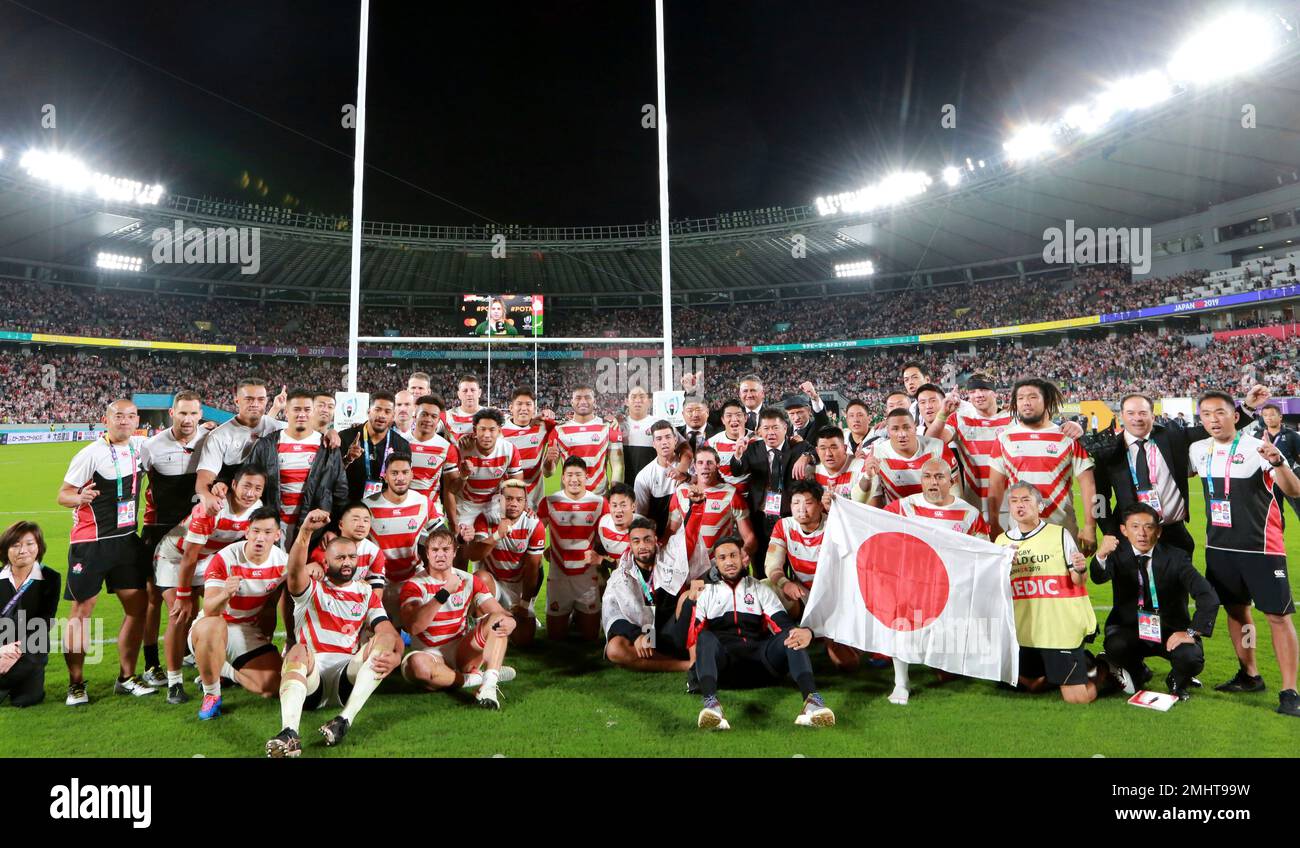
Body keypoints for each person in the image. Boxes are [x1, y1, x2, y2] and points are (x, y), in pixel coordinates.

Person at [1189, 391, 1300, 716]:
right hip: (1219, 548)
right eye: (1206, 414)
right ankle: (1249, 674)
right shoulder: (1198, 450)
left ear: (1235, 416)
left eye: (1220, 412)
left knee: (1278, 617)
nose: (1213, 419)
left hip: (1261, 548)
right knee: (1236, 612)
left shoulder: (1258, 448)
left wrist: (1278, 461)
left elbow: (1294, 490)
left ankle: (1290, 690)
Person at [266, 509, 401, 757]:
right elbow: (295, 572)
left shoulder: (366, 592)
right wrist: (306, 532)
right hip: (311, 678)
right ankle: (289, 733)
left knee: (382, 639)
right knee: (297, 649)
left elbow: (388, 632)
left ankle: (344, 720)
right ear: (326, 562)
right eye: (340, 558)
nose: (347, 562)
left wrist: (397, 656)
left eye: (351, 557)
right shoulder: (310, 589)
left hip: (346, 679)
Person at [57, 399, 155, 705]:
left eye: (130, 416)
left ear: (137, 419)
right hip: (91, 543)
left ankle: (126, 677)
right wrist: (79, 497)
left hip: (127, 540)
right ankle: (76, 684)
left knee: (137, 608)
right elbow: (62, 495)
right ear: (106, 419)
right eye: (118, 416)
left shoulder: (141, 446)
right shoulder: (91, 453)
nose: (124, 421)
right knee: (82, 612)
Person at [681, 536, 835, 730]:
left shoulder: (759, 589)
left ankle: (813, 702)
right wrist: (696, 674)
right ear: (716, 563)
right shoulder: (707, 594)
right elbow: (693, 638)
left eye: (733, 555)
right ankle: (713, 706)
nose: (729, 562)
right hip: (725, 669)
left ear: (742, 557)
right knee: (705, 636)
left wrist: (805, 632)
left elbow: (782, 623)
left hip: (762, 664)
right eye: (722, 558)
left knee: (792, 634)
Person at [1091, 390, 1265, 555]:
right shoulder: (1108, 450)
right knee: (1132, 586)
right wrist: (1108, 531)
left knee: (1179, 585)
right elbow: (1098, 498)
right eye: (1131, 413)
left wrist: (1247, 406)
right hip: (1130, 537)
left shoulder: (1172, 436)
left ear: (1153, 415)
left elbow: (1218, 426)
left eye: (1143, 413)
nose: (1137, 418)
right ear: (1121, 416)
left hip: (1173, 535)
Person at [152, 464, 266, 703]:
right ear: (233, 485)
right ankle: (174, 682)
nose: (250, 493)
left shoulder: (257, 509)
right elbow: (189, 556)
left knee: (223, 610)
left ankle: (219, 669)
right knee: (179, 615)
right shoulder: (212, 509)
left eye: (257, 488)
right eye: (246, 486)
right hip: (175, 557)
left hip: (207, 559)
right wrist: (183, 595)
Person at [1090, 503, 1218, 700]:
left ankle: (1176, 680)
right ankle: (1138, 670)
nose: (1142, 533)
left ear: (1158, 531)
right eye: (1135, 527)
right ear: (1124, 530)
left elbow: (1208, 595)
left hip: (1170, 630)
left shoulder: (1176, 557)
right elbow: (1098, 577)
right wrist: (1101, 554)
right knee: (1115, 646)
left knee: (1191, 658)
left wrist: (1191, 632)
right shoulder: (1117, 554)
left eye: (1148, 527)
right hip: (1130, 628)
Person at [995, 482, 1100, 703]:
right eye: (1014, 501)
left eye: (1026, 500)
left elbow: (1078, 580)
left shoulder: (1059, 535)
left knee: (1077, 699)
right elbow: (995, 589)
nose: (1019, 506)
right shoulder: (1002, 542)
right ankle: (1069, 668)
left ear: (1040, 506)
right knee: (1029, 686)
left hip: (1059, 631)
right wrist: (1003, 567)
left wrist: (1080, 568)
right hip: (1025, 632)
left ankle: (1104, 669)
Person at [189, 506, 289, 719]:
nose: (260, 538)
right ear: (247, 532)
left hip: (246, 630)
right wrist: (226, 593)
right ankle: (212, 695)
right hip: (214, 625)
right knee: (211, 625)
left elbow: (295, 584)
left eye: (267, 532)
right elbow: (209, 609)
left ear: (278, 535)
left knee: (273, 686)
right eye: (255, 531)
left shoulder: (283, 563)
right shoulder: (225, 558)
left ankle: (224, 670)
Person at [138, 390, 209, 688]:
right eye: (183, 413)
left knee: (197, 597)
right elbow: (132, 483)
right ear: (172, 413)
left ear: (201, 415)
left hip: (198, 532)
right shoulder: (151, 447)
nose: (188, 419)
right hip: (160, 531)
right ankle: (152, 663)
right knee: (156, 600)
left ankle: (191, 651)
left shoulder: (209, 441)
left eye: (194, 414)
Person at [399, 527, 516, 709]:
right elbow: (414, 627)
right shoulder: (414, 585)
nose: (440, 555)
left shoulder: (468, 579)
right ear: (427, 554)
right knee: (416, 666)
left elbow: (499, 613)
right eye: (435, 550)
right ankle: (474, 679)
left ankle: (489, 686)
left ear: (454, 553)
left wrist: (511, 621)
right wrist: (443, 593)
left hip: (462, 651)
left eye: (446, 550)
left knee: (498, 621)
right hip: (429, 654)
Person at [987, 377, 1098, 556]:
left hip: (1063, 532)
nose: (1025, 403)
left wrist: (1090, 526)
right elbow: (995, 487)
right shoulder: (1004, 439)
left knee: (1069, 584)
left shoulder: (1069, 437)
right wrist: (993, 523)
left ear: (1046, 400)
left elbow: (1090, 486)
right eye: (1020, 398)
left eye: (1032, 397)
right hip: (1019, 536)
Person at [602, 517, 709, 673]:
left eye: (647, 540)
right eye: (636, 541)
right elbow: (612, 614)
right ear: (630, 545)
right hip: (645, 632)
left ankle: (685, 657)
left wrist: (697, 505)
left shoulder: (669, 559)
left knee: (690, 595)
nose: (642, 546)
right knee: (614, 649)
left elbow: (689, 535)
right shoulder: (621, 576)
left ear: (656, 540)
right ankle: (685, 665)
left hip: (674, 631)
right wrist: (636, 636)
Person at [247, 388, 349, 547]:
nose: (302, 414)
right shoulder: (267, 445)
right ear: (286, 412)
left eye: (307, 409)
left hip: (314, 531)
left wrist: (334, 528)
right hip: (271, 527)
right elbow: (251, 483)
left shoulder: (328, 447)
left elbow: (340, 491)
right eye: (296, 409)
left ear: (313, 411)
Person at [730, 407, 817, 565]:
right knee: (762, 561)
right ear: (759, 431)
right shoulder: (752, 449)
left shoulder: (798, 448)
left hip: (790, 516)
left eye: (775, 427)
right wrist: (738, 455)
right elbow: (737, 471)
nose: (771, 432)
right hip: (761, 515)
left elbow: (815, 451)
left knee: (792, 562)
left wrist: (806, 457)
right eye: (766, 428)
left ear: (785, 428)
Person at [923, 374, 1014, 526]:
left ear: (995, 393)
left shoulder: (1013, 418)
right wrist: (943, 413)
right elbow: (930, 443)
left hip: (1010, 503)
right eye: (973, 391)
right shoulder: (960, 418)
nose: (978, 395)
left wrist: (1069, 425)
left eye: (984, 389)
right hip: (974, 505)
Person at [462, 480, 545, 646]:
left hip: (517, 588)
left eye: (519, 500)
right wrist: (497, 535)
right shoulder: (485, 518)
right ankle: (480, 625)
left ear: (525, 503)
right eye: (508, 498)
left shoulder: (534, 525)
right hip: (494, 585)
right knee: (479, 578)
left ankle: (501, 620)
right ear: (499, 499)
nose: (513, 504)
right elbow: (474, 555)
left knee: (524, 641)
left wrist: (524, 604)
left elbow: (533, 568)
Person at [537, 457, 609, 641]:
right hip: (558, 576)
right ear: (562, 478)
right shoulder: (549, 502)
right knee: (555, 637)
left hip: (587, 576)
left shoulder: (599, 503)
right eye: (569, 475)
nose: (574, 479)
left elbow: (607, 537)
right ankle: (570, 613)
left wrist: (600, 556)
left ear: (587, 476)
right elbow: (535, 533)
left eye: (578, 475)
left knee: (590, 636)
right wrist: (544, 550)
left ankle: (577, 613)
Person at [195, 378, 287, 513]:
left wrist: (329, 432)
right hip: (233, 508)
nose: (255, 404)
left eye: (260, 399)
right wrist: (207, 496)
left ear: (266, 401)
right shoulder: (219, 436)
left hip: (269, 507)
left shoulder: (278, 428)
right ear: (237, 401)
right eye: (249, 399)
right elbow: (205, 478)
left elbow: (310, 433)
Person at [0, 522, 61, 707]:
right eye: (16, 545)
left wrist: (17, 649)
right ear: (5, 549)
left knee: (27, 700)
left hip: (30, 648)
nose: (23, 550)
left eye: (29, 543)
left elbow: (46, 619)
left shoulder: (50, 577)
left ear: (39, 547)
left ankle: (7, 682)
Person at [362, 454, 430, 621]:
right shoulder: (367, 506)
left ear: (412, 475)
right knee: (381, 637)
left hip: (413, 577)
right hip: (379, 581)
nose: (400, 478)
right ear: (385, 476)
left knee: (418, 624)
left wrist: (461, 538)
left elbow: (442, 538)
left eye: (405, 472)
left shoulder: (423, 503)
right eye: (394, 473)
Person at [854, 408, 956, 507]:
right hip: (898, 520)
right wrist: (867, 477)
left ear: (915, 428)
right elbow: (858, 500)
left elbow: (955, 492)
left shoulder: (938, 447)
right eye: (895, 429)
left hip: (934, 518)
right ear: (888, 431)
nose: (902, 434)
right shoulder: (876, 454)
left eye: (907, 427)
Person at [667, 445, 754, 557]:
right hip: (687, 562)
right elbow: (671, 532)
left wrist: (745, 552)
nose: (705, 467)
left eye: (709, 463)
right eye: (700, 463)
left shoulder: (731, 494)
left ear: (717, 465)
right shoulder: (681, 491)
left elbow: (749, 537)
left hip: (717, 565)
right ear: (694, 466)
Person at [452, 408, 523, 532]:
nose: (486, 435)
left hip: (494, 505)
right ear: (474, 430)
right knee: (463, 544)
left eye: (492, 430)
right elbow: (451, 489)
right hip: (466, 505)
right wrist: (463, 476)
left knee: (501, 542)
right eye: (482, 429)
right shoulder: (461, 449)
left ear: (499, 431)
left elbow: (516, 486)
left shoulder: (509, 450)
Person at [884, 458, 990, 539]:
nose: (933, 482)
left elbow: (984, 555)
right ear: (921, 481)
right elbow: (873, 523)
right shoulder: (903, 507)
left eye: (940, 476)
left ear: (951, 482)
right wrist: (867, 479)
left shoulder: (971, 514)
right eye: (927, 476)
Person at [339, 391, 410, 502]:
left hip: (384, 508)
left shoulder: (401, 445)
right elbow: (332, 475)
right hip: (349, 507)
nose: (381, 415)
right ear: (368, 412)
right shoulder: (346, 437)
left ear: (393, 416)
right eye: (377, 409)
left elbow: (404, 480)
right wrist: (348, 459)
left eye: (387, 412)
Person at [553, 384, 623, 495]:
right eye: (578, 398)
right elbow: (549, 472)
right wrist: (548, 460)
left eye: (587, 397)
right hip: (570, 499)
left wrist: (615, 494)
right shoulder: (558, 430)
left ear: (594, 401)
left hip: (600, 497)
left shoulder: (609, 427)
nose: (583, 401)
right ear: (571, 402)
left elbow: (618, 465)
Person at [405, 394, 462, 527]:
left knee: (440, 545)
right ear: (415, 416)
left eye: (433, 416)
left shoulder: (446, 448)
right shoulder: (400, 442)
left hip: (431, 511)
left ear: (438, 421)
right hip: (404, 507)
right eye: (424, 414)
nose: (428, 419)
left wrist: (464, 476)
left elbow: (451, 489)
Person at [500, 387, 557, 511]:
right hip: (508, 501)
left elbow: (549, 473)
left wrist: (549, 462)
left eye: (528, 404)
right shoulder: (499, 431)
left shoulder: (545, 427)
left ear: (534, 408)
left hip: (535, 501)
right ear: (510, 408)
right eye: (519, 404)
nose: (524, 408)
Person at [634, 420, 691, 535]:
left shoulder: (690, 465)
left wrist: (683, 475)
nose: (664, 442)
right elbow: (641, 516)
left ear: (675, 440)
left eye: (668, 437)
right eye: (659, 439)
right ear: (653, 444)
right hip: (661, 539)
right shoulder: (644, 476)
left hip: (689, 536)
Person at [1254, 401, 1300, 523]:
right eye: (1265, 415)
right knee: (1274, 516)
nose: (1268, 418)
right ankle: (1277, 542)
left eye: (1272, 415)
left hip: (1290, 476)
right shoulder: (1258, 436)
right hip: (1270, 480)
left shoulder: (1292, 435)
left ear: (1280, 417)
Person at [707, 398, 753, 503]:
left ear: (745, 417)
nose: (734, 419)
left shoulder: (758, 440)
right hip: (724, 499)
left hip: (752, 500)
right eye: (729, 416)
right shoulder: (712, 443)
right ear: (723, 420)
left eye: (738, 415)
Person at [620, 386, 658, 485]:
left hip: (651, 484)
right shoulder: (619, 425)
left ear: (649, 402)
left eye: (642, 397)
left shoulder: (658, 424)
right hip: (625, 485)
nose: (638, 400)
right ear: (626, 401)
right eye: (633, 397)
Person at [443, 375, 484, 440]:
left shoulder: (490, 414)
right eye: (465, 391)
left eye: (473, 390)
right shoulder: (447, 416)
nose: (469, 394)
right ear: (459, 394)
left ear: (479, 393)